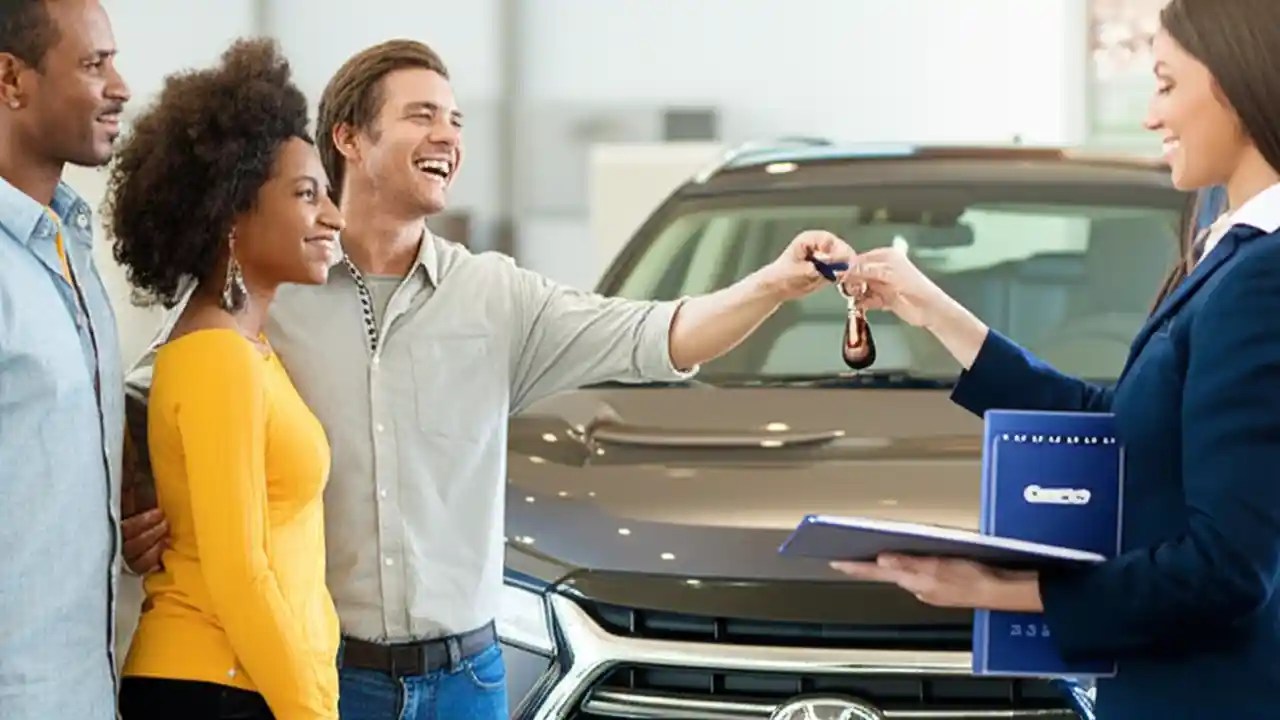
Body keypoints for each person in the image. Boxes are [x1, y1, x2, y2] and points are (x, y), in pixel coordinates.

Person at [120, 38, 855, 719]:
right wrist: (143, 497)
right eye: (422, 116)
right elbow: (152, 392)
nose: (449, 137)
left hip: (466, 683)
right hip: (321, 670)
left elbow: (654, 335)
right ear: (348, 136)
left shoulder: (497, 298)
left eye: (457, 121)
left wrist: (770, 285)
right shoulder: (276, 281)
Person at [830, 0, 1280, 716]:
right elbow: (1121, 422)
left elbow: (1229, 570)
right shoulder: (1229, 254)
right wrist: (935, 313)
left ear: (1236, 83)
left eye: (1165, 84)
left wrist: (1000, 591)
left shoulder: (1261, 277)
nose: (1150, 117)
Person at [106, 38, 345, 719]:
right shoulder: (217, 359)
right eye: (307, 195)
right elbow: (240, 574)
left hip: (240, 684)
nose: (334, 217)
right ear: (231, 214)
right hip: (220, 686)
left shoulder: (246, 349)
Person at [0, 1, 130, 717]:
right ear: (11, 80)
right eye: (93, 64)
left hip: (86, 687)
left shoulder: (70, 242)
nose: (121, 85)